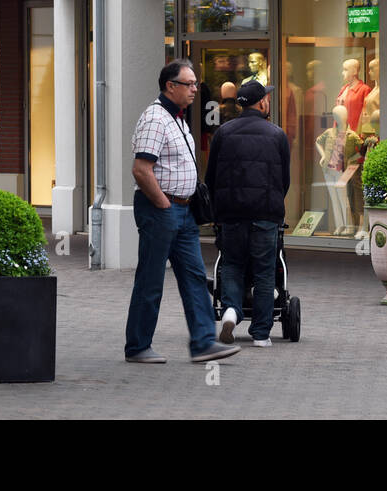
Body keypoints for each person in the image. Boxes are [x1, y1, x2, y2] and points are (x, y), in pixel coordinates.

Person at [124, 59, 239, 364]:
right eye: (188, 84)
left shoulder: (177, 117)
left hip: (183, 211)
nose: (195, 89)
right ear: (170, 86)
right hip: (161, 209)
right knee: (151, 279)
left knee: (194, 277)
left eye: (196, 83)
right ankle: (137, 346)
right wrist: (163, 204)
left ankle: (203, 342)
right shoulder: (155, 118)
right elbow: (141, 169)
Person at [206, 80, 290, 348]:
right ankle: (262, 334)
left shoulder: (223, 133)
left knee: (232, 265)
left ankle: (231, 310)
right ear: (261, 102)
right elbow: (284, 180)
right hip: (265, 213)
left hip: (231, 214)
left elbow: (211, 178)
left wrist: (217, 210)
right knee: (265, 271)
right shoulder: (277, 135)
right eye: (266, 98)